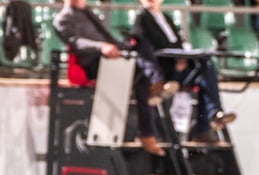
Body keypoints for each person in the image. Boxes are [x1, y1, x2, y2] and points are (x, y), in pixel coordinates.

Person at [54, 0, 170, 156]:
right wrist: (101, 47)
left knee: (143, 45)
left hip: (110, 55)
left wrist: (122, 46)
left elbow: (107, 37)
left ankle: (155, 83)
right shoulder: (63, 19)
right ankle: (156, 86)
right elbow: (76, 42)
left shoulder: (88, 13)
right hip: (94, 61)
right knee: (143, 78)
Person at [131, 0, 237, 144]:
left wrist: (184, 59)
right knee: (203, 68)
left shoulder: (166, 18)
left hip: (180, 64)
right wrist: (178, 60)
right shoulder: (143, 19)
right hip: (164, 70)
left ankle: (207, 122)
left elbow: (178, 43)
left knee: (206, 66)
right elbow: (150, 47)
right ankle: (210, 118)